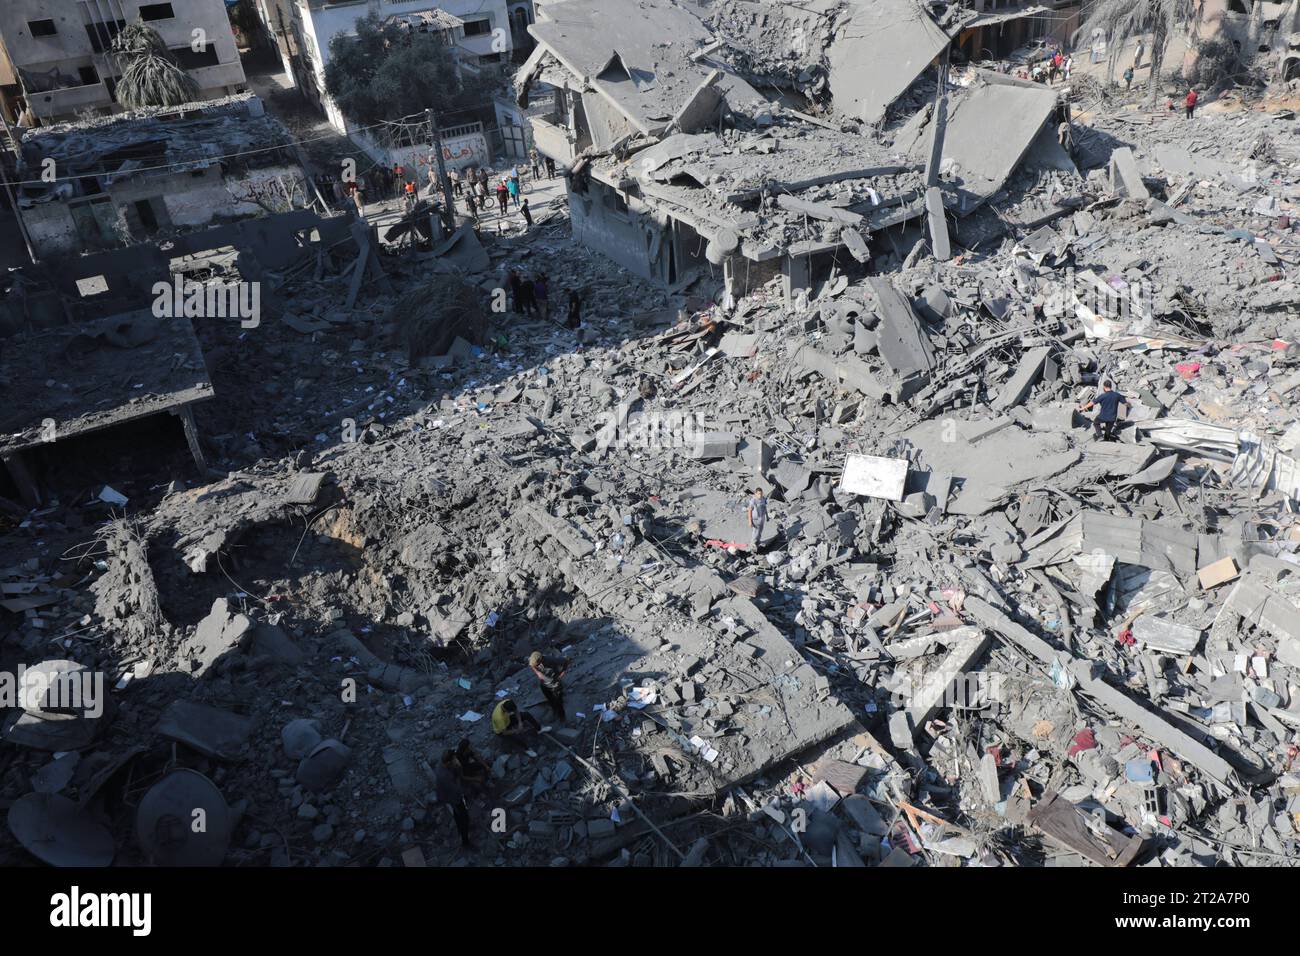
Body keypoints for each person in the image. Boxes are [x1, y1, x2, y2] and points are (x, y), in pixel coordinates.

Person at [436, 749, 472, 849]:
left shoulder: (444, 766)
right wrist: (459, 768)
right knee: (462, 817)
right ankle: (465, 841)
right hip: (453, 798)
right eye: (454, 759)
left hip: (451, 794)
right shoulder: (444, 776)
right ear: (448, 762)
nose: (456, 760)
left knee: (459, 814)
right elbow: (457, 789)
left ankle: (462, 825)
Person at [528, 650, 568, 722]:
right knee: (550, 699)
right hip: (544, 684)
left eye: (537, 664)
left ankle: (562, 717)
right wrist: (543, 678)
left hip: (555, 683)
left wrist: (560, 674)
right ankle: (554, 711)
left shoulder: (550, 660)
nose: (535, 666)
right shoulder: (533, 663)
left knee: (559, 701)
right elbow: (538, 673)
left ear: (541, 659)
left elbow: (565, 661)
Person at [747, 486, 767, 551]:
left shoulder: (763, 499)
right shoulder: (753, 501)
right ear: (755, 493)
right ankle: (752, 543)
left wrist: (767, 516)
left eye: (761, 493)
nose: (760, 495)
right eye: (758, 494)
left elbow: (765, 507)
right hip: (755, 518)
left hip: (762, 517)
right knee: (755, 531)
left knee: (760, 531)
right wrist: (750, 521)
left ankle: (757, 542)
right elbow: (749, 510)